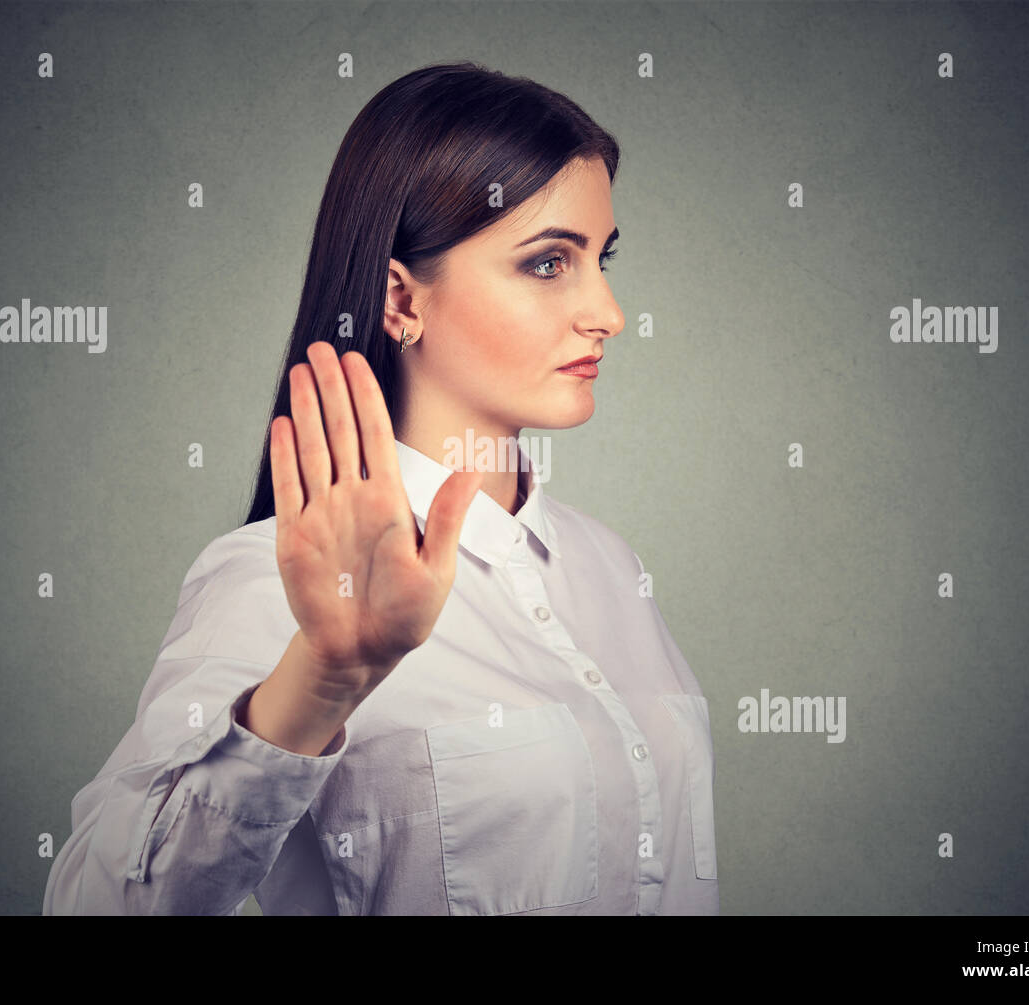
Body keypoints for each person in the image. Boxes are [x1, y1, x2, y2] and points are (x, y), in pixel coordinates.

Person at [43, 60, 718, 916]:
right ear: (401, 297)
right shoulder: (275, 579)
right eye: (550, 264)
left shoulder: (612, 568)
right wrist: (325, 675)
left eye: (602, 259)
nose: (609, 313)